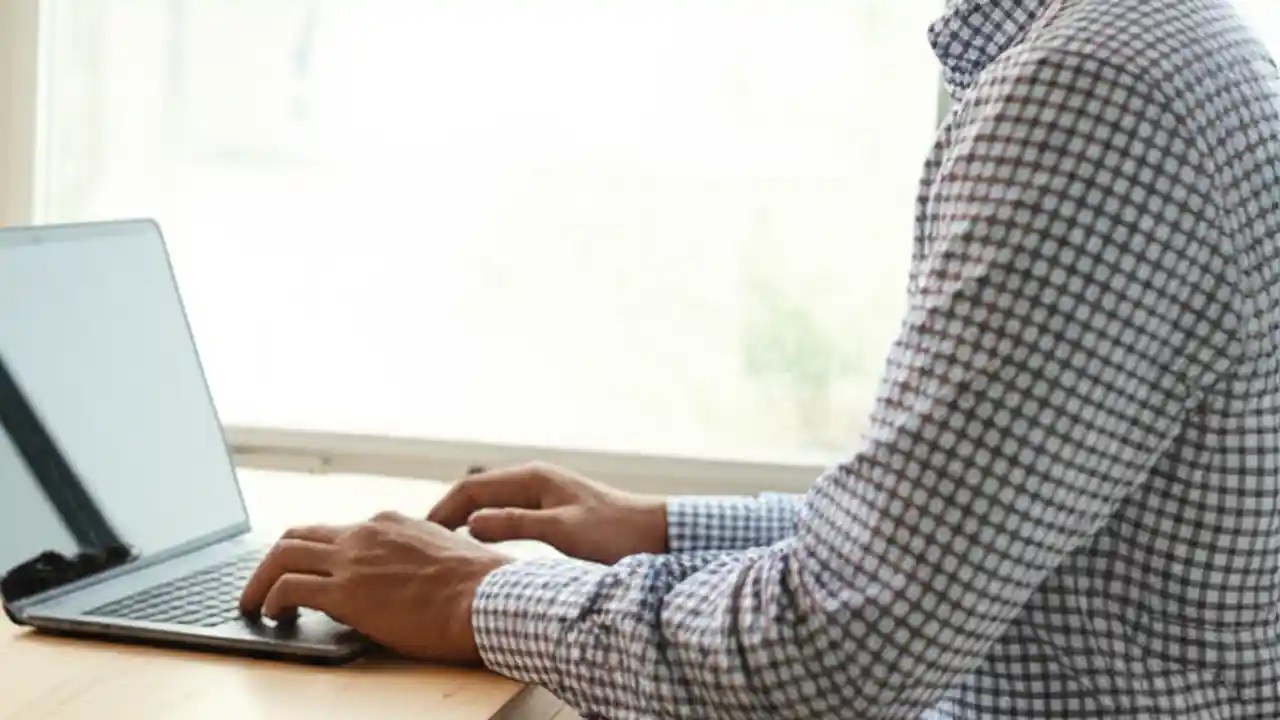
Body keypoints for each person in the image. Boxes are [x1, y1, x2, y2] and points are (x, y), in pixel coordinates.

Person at [239, 0, 1280, 716]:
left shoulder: (1088, 94)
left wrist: (471, 599)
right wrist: (655, 527)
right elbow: (963, 531)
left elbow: (840, 648)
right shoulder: (1167, 47)